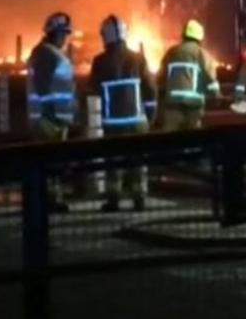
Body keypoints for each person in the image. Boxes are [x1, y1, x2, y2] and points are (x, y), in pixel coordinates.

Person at [90, 15, 157, 211]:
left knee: (113, 164)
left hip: (113, 124)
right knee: (137, 162)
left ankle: (113, 200)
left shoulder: (100, 62)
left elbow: (93, 88)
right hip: (138, 122)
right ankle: (139, 199)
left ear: (106, 36)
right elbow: (150, 89)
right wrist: (151, 115)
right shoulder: (138, 58)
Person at [26, 12, 77, 212]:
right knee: (52, 162)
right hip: (49, 120)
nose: (65, 38)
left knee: (52, 162)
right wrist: (53, 116)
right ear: (54, 34)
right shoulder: (47, 55)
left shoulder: (45, 53)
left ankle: (49, 198)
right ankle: (50, 201)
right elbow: (43, 88)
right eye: (63, 34)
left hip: (52, 118)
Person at [156, 19, 221, 131]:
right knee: (193, 141)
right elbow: (211, 80)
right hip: (194, 107)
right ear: (200, 37)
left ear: (184, 35)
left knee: (168, 141)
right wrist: (216, 96)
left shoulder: (172, 52)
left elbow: (161, 78)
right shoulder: (202, 54)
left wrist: (161, 97)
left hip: (172, 106)